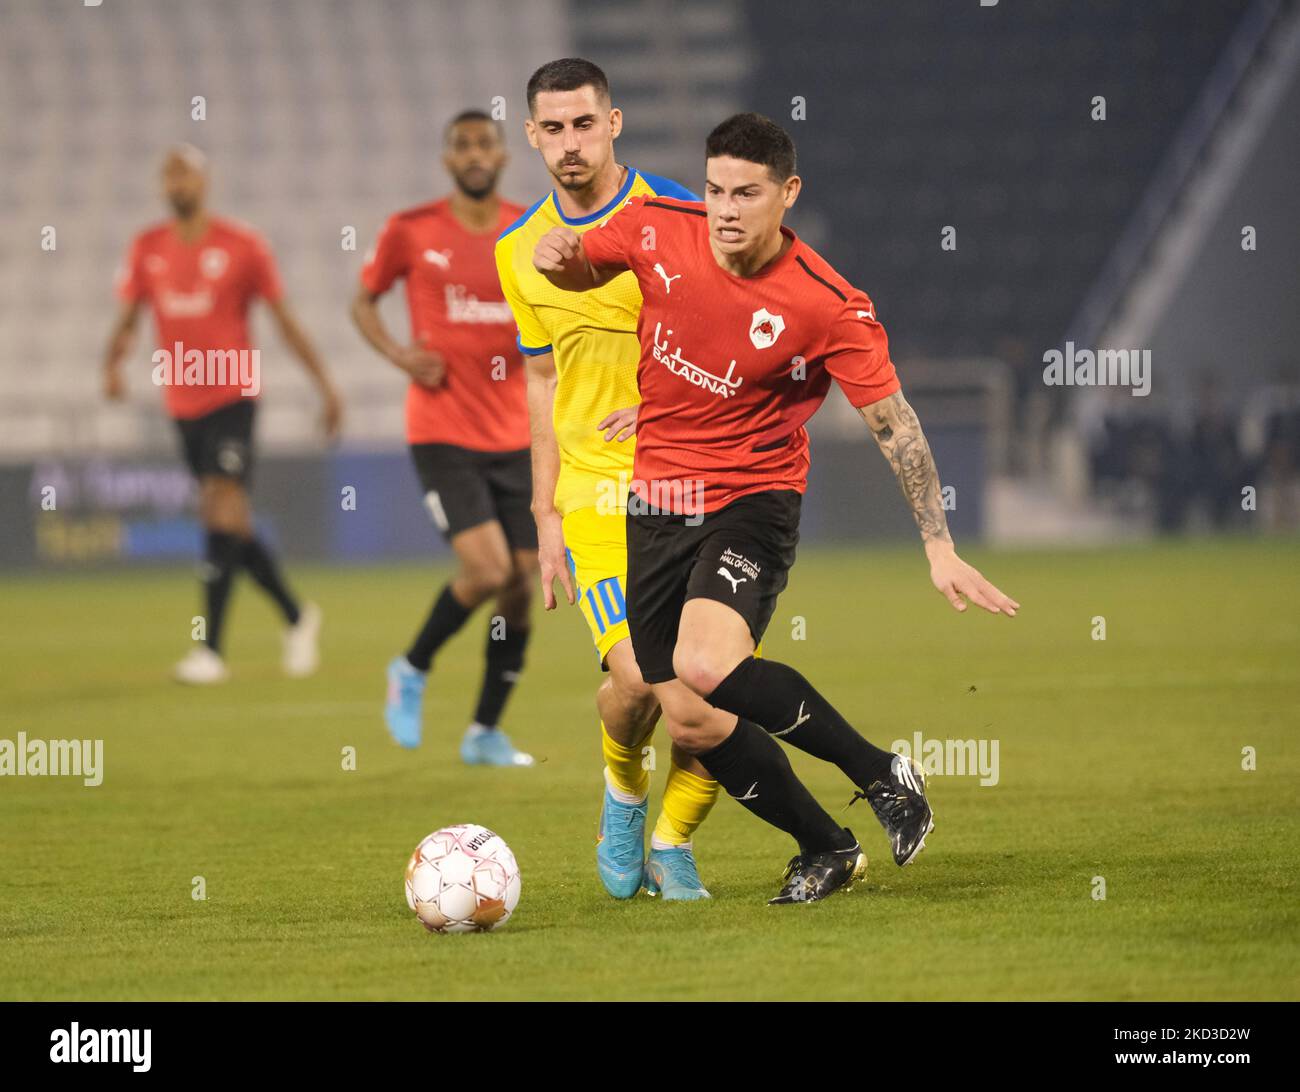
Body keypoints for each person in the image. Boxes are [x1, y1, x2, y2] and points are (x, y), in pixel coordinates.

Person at [533, 113, 1020, 903]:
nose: (725, 209)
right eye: (716, 189)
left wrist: (938, 543)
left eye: (747, 193)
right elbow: (590, 265)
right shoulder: (657, 226)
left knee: (705, 663)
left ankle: (880, 772)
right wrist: (562, 263)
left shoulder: (826, 303)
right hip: (656, 501)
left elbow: (895, 424)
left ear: (787, 194)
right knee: (689, 719)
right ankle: (828, 847)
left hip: (752, 500)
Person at [495, 58, 731, 899]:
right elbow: (538, 379)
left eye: (583, 124)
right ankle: (625, 790)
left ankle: (672, 841)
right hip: (595, 493)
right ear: (531, 135)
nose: (569, 144)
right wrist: (543, 515)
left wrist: (671, 403)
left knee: (703, 696)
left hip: (694, 478)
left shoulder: (681, 215)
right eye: (552, 128)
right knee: (638, 679)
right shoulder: (516, 252)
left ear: (614, 123)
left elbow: (729, 333)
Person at [103, 144, 341, 685]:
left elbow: (284, 320)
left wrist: (325, 385)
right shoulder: (147, 247)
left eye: (185, 173)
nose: (176, 182)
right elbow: (128, 316)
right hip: (182, 402)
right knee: (226, 519)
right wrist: (112, 364)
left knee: (221, 505)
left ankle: (209, 651)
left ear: (205, 181)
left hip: (233, 396)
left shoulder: (243, 246)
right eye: (168, 174)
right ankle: (297, 615)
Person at [354, 111, 536, 767]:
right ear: (447, 160)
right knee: (487, 569)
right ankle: (411, 666)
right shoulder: (411, 230)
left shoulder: (530, 229)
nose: (475, 154)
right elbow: (362, 301)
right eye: (462, 145)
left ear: (504, 155)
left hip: (518, 433)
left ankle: (484, 731)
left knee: (521, 584)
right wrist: (401, 355)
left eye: (485, 143)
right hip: (443, 431)